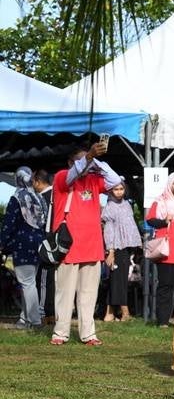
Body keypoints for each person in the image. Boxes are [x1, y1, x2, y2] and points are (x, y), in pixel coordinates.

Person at [50, 141, 121, 346]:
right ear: (71, 161)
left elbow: (115, 180)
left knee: (89, 294)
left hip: (92, 245)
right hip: (67, 246)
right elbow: (73, 175)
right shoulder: (62, 176)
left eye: (89, 159)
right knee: (65, 292)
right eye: (81, 160)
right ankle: (61, 332)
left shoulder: (93, 179)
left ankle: (88, 334)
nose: (87, 163)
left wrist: (96, 162)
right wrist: (88, 157)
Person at [1, 166, 46, 329]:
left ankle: (34, 321)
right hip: (39, 244)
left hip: (22, 244)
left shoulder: (17, 198)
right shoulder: (39, 197)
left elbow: (9, 223)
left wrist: (2, 243)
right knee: (30, 282)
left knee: (27, 283)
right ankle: (23, 320)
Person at [145, 173, 174, 328]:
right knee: (166, 286)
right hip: (167, 251)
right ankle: (163, 321)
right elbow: (150, 219)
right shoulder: (161, 201)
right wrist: (165, 221)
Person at [101, 183, 141, 321]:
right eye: (116, 189)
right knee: (118, 280)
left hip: (126, 247)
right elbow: (109, 230)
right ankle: (125, 313)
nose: (119, 192)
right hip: (116, 247)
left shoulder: (126, 205)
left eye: (121, 189)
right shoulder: (110, 207)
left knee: (118, 280)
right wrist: (110, 251)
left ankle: (109, 313)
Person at [32, 169, 55, 323]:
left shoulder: (40, 199)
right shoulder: (58, 195)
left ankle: (45, 313)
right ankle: (52, 312)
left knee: (44, 280)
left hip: (46, 244)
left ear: (37, 182)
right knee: (55, 280)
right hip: (60, 244)